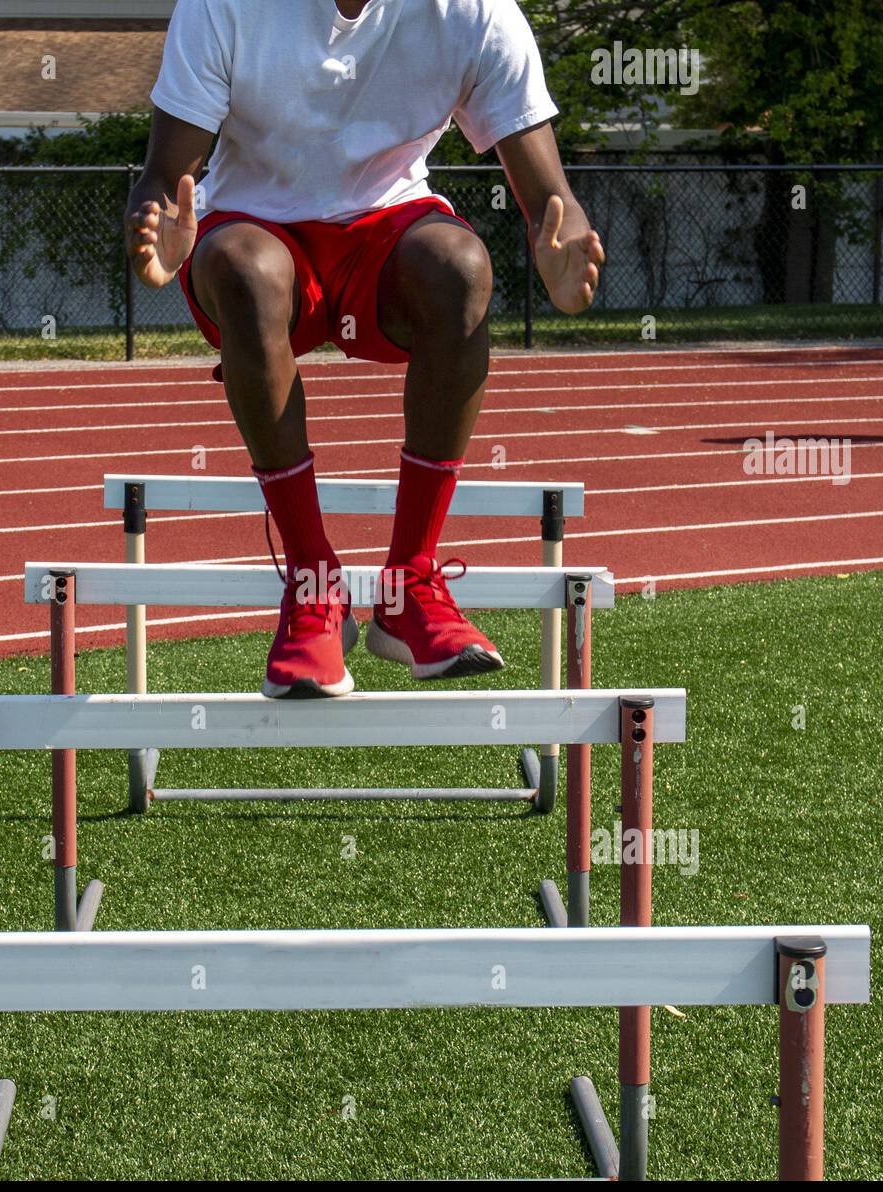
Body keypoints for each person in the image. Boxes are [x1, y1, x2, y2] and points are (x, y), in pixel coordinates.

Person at [125, 0, 604, 699]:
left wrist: (564, 253)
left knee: (461, 268)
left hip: (386, 233)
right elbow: (164, 177)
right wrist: (156, 224)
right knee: (249, 275)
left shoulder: (473, 11)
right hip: (254, 232)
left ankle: (409, 583)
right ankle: (313, 584)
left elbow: (551, 199)